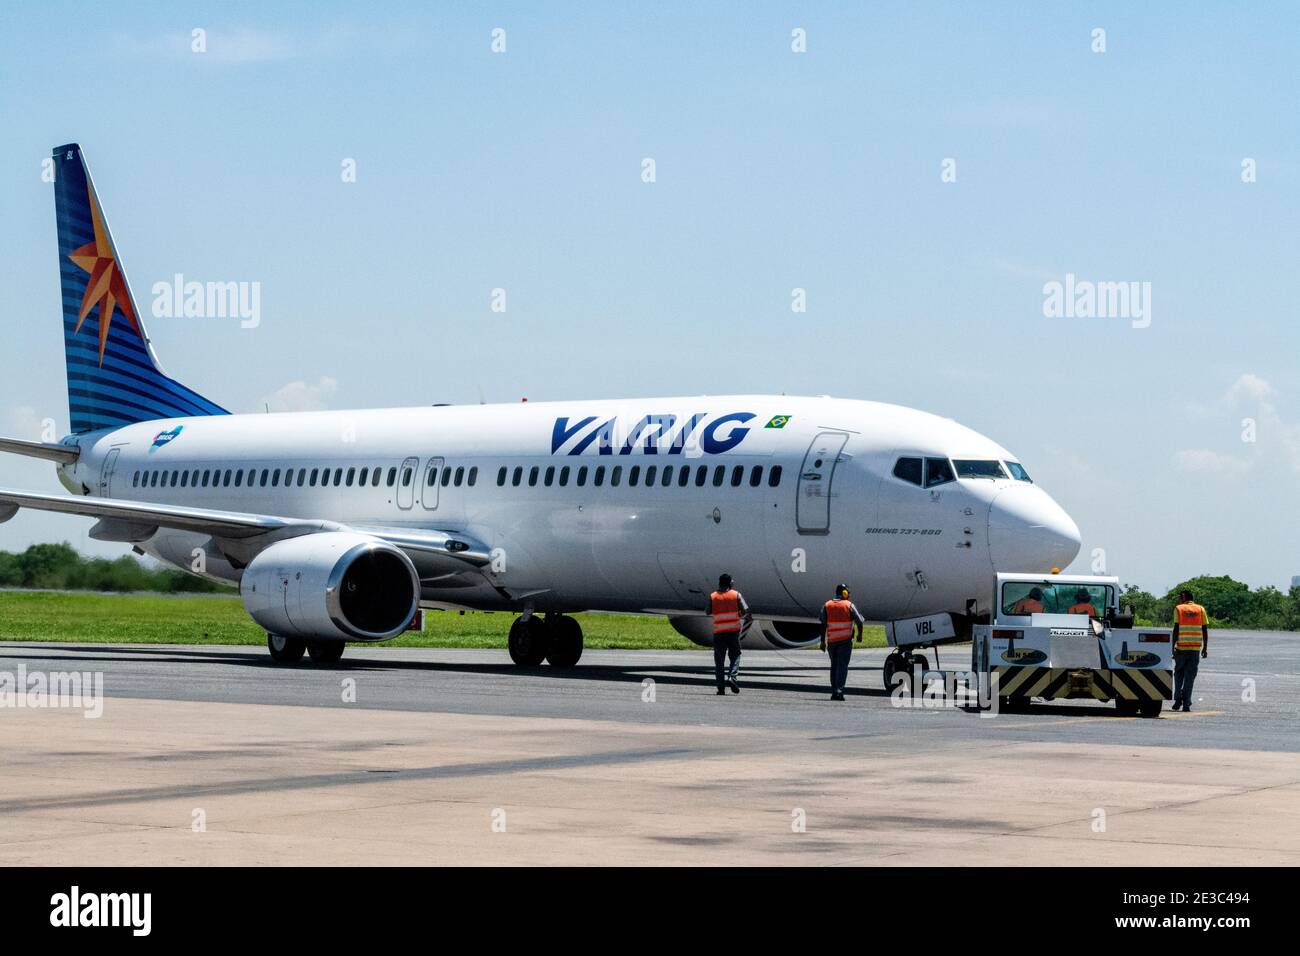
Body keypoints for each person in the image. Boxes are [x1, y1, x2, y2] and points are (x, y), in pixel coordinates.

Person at [707, 573, 751, 695]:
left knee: (719, 661)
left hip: (719, 632)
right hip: (733, 632)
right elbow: (744, 611)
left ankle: (720, 688)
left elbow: (707, 612)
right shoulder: (736, 595)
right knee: (735, 655)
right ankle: (732, 677)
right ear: (730, 583)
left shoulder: (713, 596)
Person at [820, 584, 865, 701]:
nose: (849, 595)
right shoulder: (848, 605)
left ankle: (834, 690)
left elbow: (823, 625)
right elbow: (859, 622)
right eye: (848, 592)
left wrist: (822, 642)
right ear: (844, 593)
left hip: (831, 642)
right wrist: (860, 635)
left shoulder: (827, 605)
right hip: (845, 641)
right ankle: (839, 690)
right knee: (842, 666)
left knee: (834, 666)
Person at [1171, 588, 1209, 712]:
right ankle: (1186, 703)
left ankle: (1177, 699)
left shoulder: (1179, 609)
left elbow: (1176, 629)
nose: (1179, 600)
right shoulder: (1201, 609)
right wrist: (1205, 648)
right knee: (1190, 677)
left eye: (1180, 597)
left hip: (1181, 648)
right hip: (1195, 649)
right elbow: (1204, 630)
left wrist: (1172, 646)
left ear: (1183, 597)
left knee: (1178, 674)